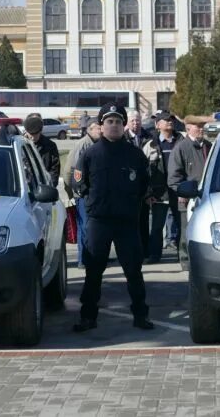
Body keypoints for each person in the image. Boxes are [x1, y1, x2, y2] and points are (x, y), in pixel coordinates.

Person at [73, 103, 153, 332]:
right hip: (100, 221)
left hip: (127, 222)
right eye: (109, 121)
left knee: (133, 271)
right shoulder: (90, 154)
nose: (114, 126)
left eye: (118, 121)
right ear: (101, 125)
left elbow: (144, 184)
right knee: (93, 271)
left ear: (124, 124)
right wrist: (93, 204)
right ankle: (88, 316)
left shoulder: (135, 155)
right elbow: (79, 184)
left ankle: (140, 315)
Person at [167, 115, 211, 265]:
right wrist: (181, 191)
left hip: (207, 197)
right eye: (197, 126)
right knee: (187, 232)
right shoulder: (181, 147)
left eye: (202, 126)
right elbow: (174, 176)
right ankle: (185, 261)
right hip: (188, 197)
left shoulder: (208, 146)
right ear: (188, 128)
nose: (201, 129)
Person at [140, 111, 180, 263]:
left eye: (171, 119)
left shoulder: (181, 141)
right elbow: (144, 171)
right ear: (157, 125)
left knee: (181, 225)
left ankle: (183, 256)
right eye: (165, 120)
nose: (169, 122)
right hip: (158, 193)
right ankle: (154, 255)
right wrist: (148, 193)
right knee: (157, 227)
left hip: (179, 191)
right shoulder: (151, 145)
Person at [65, 119, 101, 268]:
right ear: (89, 130)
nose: (101, 130)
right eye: (98, 128)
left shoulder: (100, 145)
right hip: (83, 194)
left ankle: (95, 257)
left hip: (97, 194)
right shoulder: (82, 145)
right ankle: (83, 259)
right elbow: (69, 171)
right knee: (85, 227)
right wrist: (71, 193)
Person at [22, 113, 62, 197]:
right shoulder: (20, 144)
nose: (32, 137)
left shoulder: (50, 146)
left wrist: (50, 187)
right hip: (24, 190)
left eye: (35, 134)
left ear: (40, 129)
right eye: (30, 134)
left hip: (43, 190)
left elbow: (54, 169)